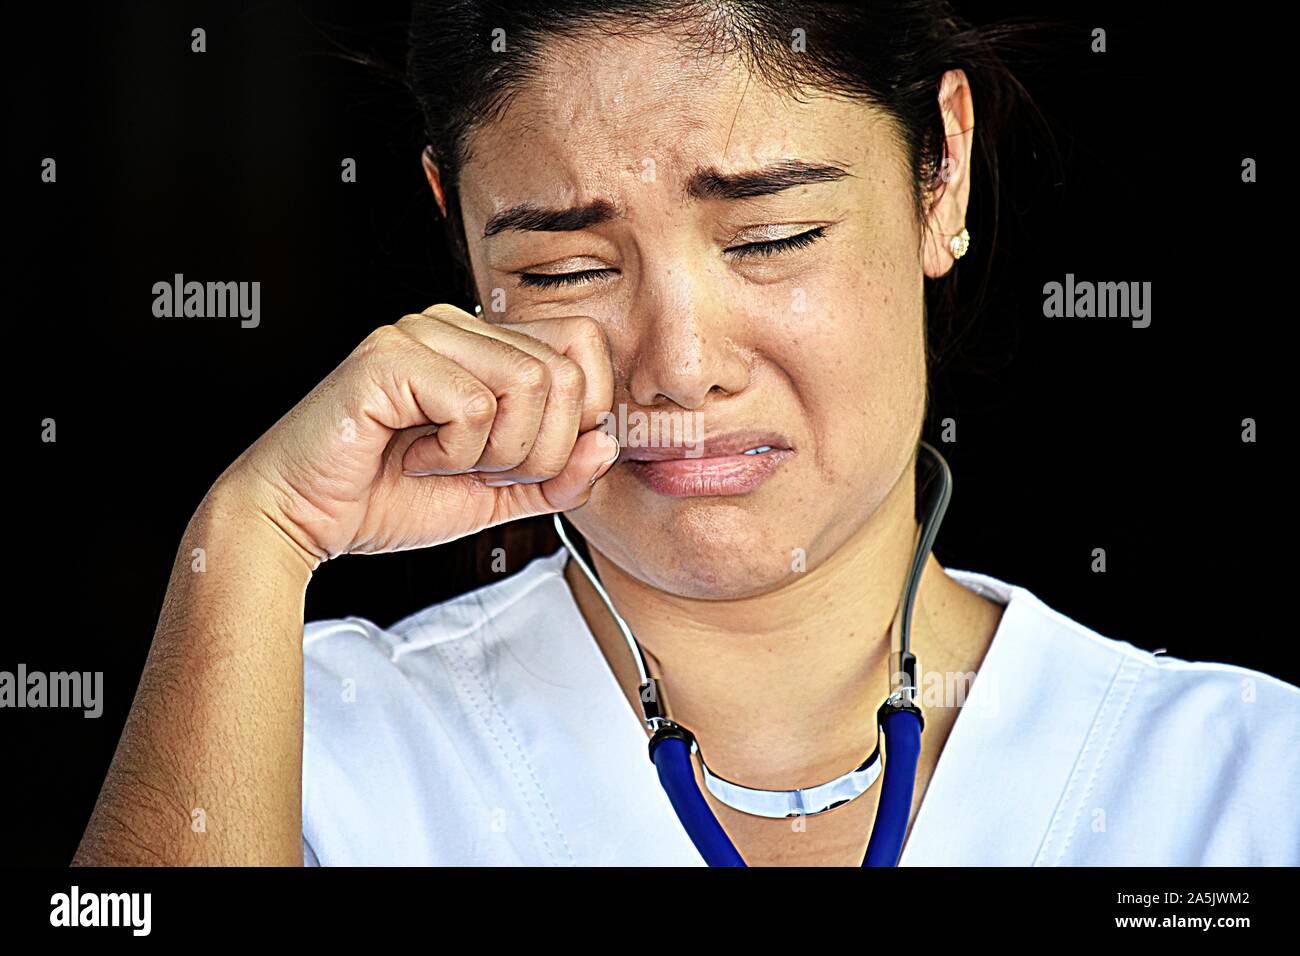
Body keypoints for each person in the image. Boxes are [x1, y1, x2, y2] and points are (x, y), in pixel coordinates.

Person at [75, 1, 1299, 867]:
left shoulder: (1247, 779)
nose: (682, 365)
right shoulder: (304, 744)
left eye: (770, 240)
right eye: (564, 265)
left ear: (943, 173)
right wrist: (249, 536)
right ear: (461, 230)